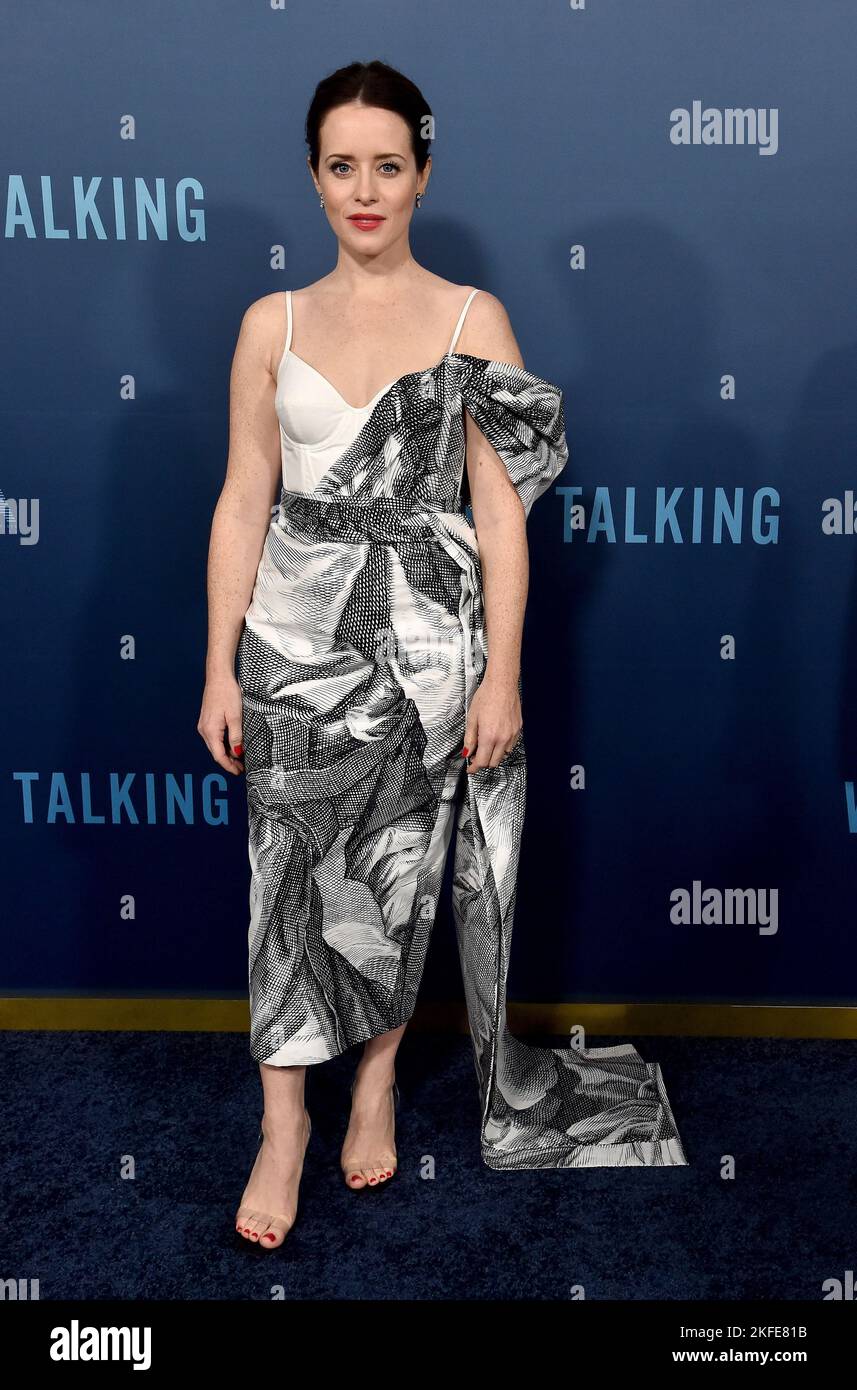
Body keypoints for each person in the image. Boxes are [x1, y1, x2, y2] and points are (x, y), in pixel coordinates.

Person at [198, 59, 687, 1250]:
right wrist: (218, 663)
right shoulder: (272, 323)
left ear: (421, 173)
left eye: (386, 166)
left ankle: (368, 1092)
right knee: (286, 888)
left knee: (400, 883)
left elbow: (499, 512)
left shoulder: (475, 322)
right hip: (291, 646)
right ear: (312, 179)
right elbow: (243, 497)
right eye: (339, 167)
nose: (363, 190)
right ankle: (283, 1127)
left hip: (426, 650)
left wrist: (502, 675)